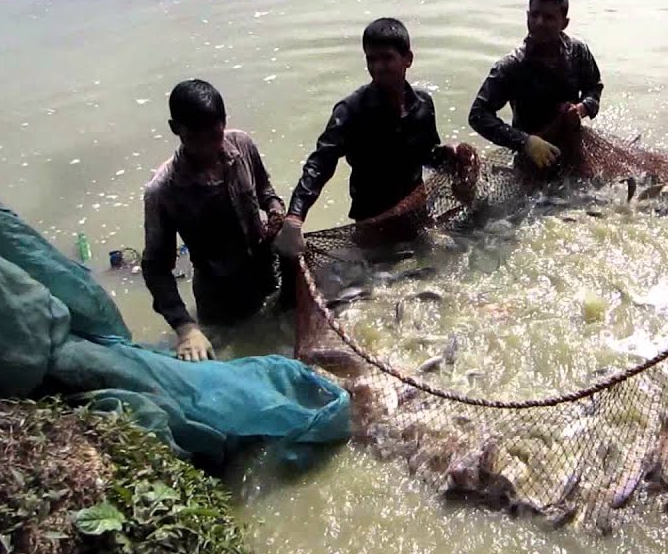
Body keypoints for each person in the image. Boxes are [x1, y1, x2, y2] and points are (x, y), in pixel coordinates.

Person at [273, 18, 477, 257]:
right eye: (371, 59)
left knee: (433, 267)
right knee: (375, 276)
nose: (378, 67)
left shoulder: (422, 104)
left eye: (387, 58)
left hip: (416, 212)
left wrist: (448, 155)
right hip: (372, 224)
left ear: (408, 59)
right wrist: (295, 216)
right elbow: (320, 164)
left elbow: (426, 154)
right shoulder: (350, 111)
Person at [141, 79, 290, 362]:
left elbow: (265, 191)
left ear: (224, 122)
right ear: (175, 128)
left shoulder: (242, 145)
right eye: (196, 139)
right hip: (220, 300)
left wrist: (275, 211)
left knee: (284, 341)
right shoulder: (162, 191)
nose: (208, 148)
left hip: (267, 273)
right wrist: (185, 328)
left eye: (215, 135)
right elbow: (156, 268)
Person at [467, 0, 604, 178]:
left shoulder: (577, 52)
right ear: (527, 16)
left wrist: (583, 108)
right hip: (534, 158)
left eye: (549, 18)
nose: (539, 22)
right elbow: (478, 115)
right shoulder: (511, 66)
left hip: (573, 145)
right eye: (534, 15)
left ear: (564, 23)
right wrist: (525, 141)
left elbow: (594, 87)